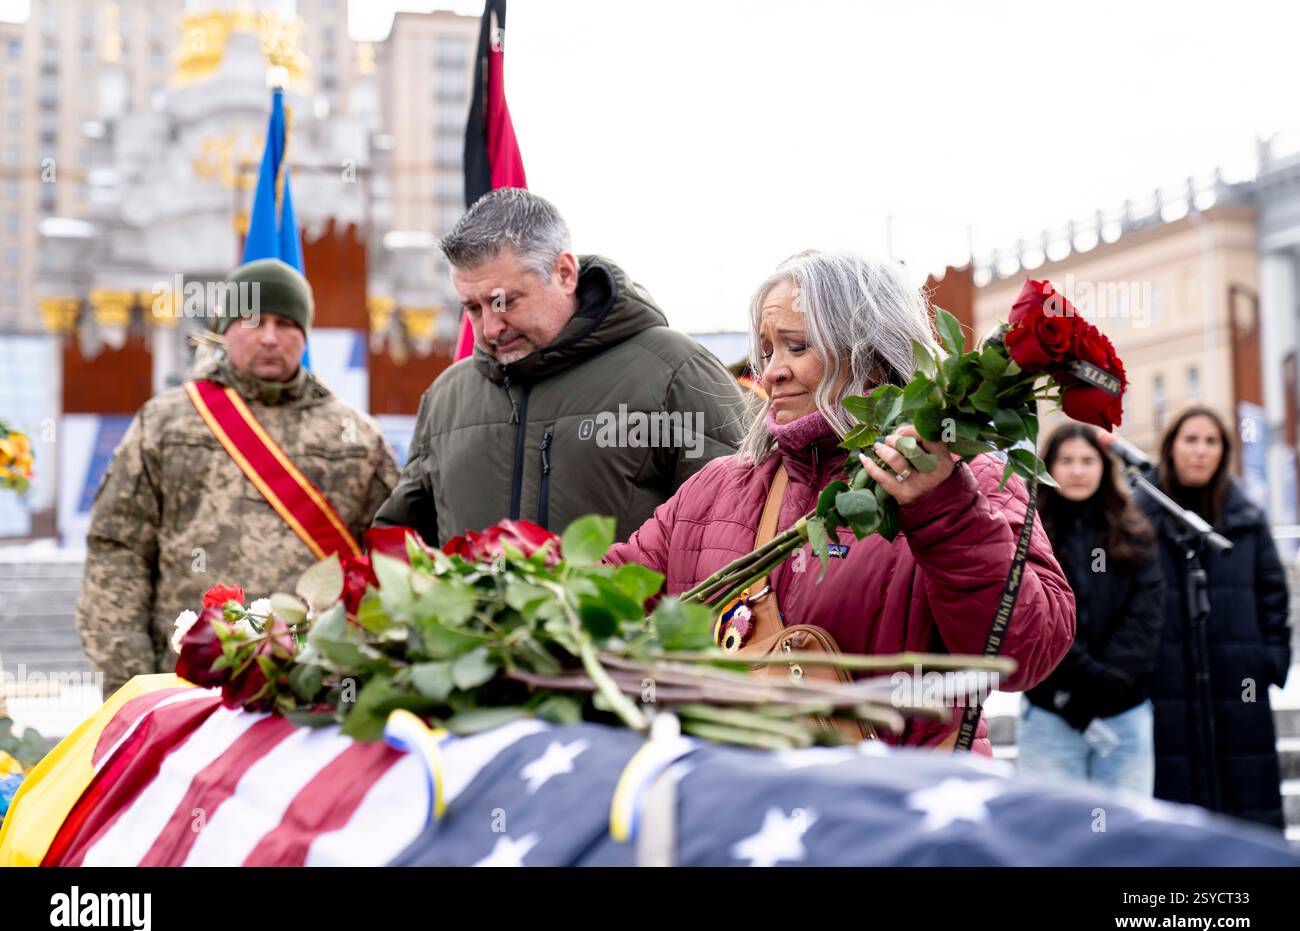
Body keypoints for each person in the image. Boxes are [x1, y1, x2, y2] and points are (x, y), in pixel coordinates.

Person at [605, 251, 1076, 753]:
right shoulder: (716, 487)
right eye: (767, 352)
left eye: (797, 346)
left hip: (902, 813)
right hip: (734, 810)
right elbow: (613, 595)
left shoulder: (966, 479)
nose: (770, 374)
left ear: (871, 354)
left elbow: (1029, 652)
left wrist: (945, 512)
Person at [78, 259, 399, 696]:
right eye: (252, 321)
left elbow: (388, 558)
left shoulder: (356, 436)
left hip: (317, 681)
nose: (269, 337)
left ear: (304, 334)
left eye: (285, 322)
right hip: (188, 683)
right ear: (224, 329)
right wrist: (131, 682)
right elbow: (117, 552)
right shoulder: (167, 422)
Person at [372, 189, 749, 546]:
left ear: (565, 273)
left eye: (505, 302)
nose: (489, 327)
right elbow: (401, 544)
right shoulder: (445, 397)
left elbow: (739, 532)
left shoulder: (675, 373)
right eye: (472, 308)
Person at [1139, 405, 1291, 828]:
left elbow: (1273, 595)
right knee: (1172, 816)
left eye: (1211, 442)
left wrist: (1269, 663)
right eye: (1191, 440)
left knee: (1245, 806)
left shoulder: (1246, 519)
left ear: (1223, 452)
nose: (1201, 451)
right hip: (1165, 685)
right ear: (1171, 448)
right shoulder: (1140, 519)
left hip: (1238, 684)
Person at [1017, 424, 1164, 794]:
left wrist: (1111, 679)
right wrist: (1083, 680)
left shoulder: (1135, 532)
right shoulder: (1028, 533)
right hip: (1051, 710)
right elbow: (1031, 618)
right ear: (1048, 466)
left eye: (1087, 460)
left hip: (1123, 710)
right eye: (1066, 461)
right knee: (1053, 839)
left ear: (1104, 466)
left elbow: (1146, 615)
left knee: (1124, 841)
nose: (1078, 471)